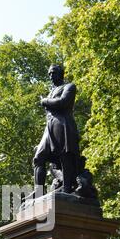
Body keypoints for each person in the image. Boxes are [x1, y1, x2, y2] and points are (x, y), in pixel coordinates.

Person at [33, 64, 80, 194]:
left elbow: (63, 102)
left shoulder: (69, 87)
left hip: (63, 123)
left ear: (61, 74)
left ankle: (66, 188)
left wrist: (45, 101)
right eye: (49, 74)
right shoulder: (51, 91)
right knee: (38, 157)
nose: (51, 76)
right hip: (49, 126)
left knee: (64, 155)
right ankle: (38, 192)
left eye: (53, 73)